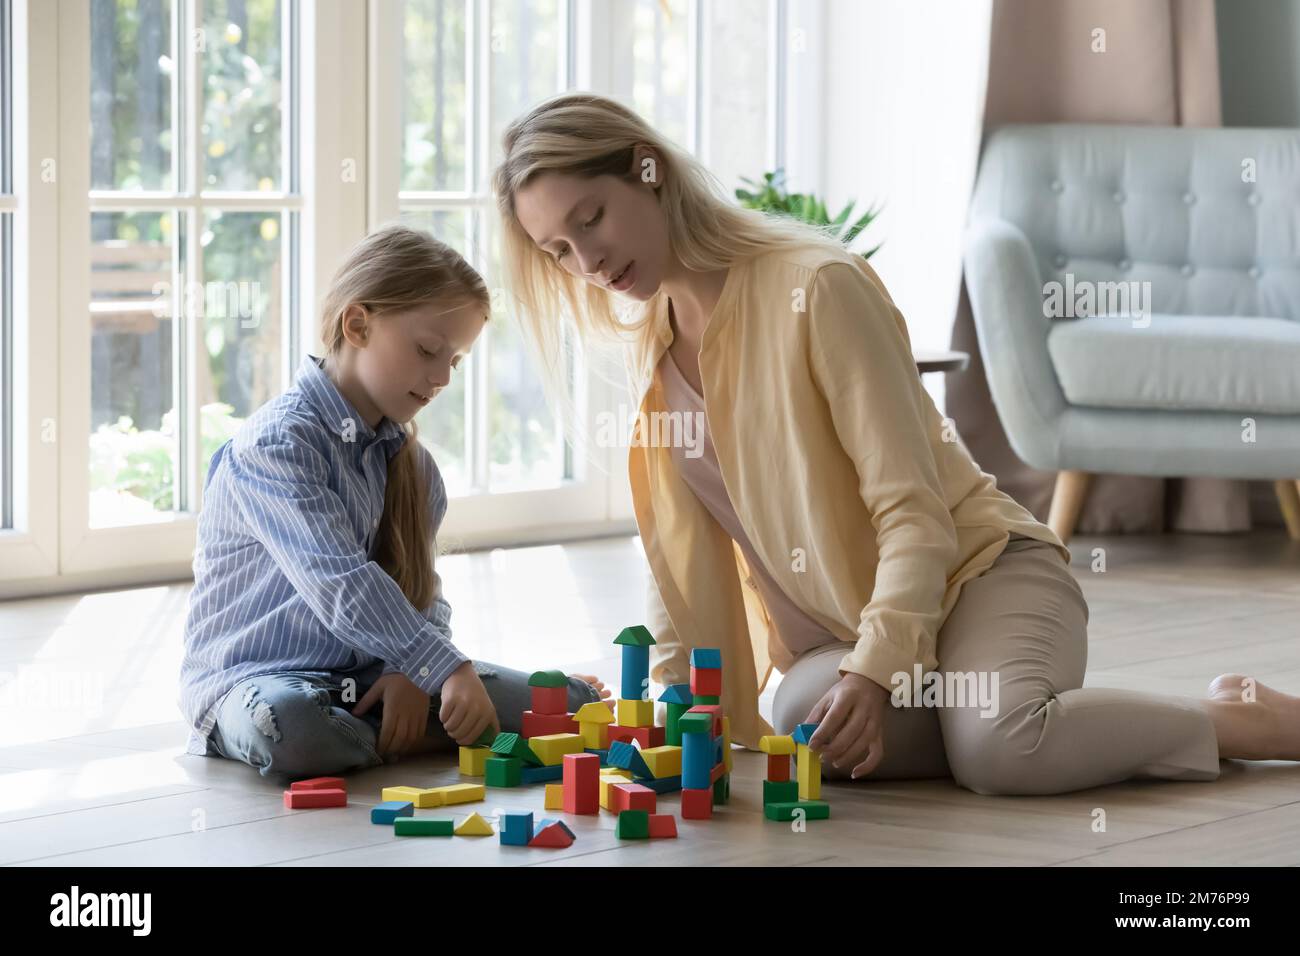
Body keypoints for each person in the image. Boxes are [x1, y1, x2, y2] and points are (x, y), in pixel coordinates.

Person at [490, 91, 1300, 795]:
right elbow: (680, 553)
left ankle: (1234, 722)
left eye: (589, 219)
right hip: (846, 634)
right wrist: (671, 705)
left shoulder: (818, 286)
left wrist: (876, 672)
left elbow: (913, 510)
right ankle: (1002, 715)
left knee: (1004, 753)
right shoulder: (656, 348)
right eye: (559, 250)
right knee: (806, 722)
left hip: (980, 574)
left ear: (647, 169)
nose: (588, 261)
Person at [179, 224, 610, 779]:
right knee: (291, 729)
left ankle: (386, 730)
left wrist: (410, 671)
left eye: (453, 362)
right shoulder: (277, 445)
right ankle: (403, 733)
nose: (441, 379)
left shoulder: (415, 467)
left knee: (570, 710)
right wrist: (438, 666)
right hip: (258, 680)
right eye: (428, 351)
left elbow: (421, 592)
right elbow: (341, 583)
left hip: (369, 675)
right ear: (357, 324)